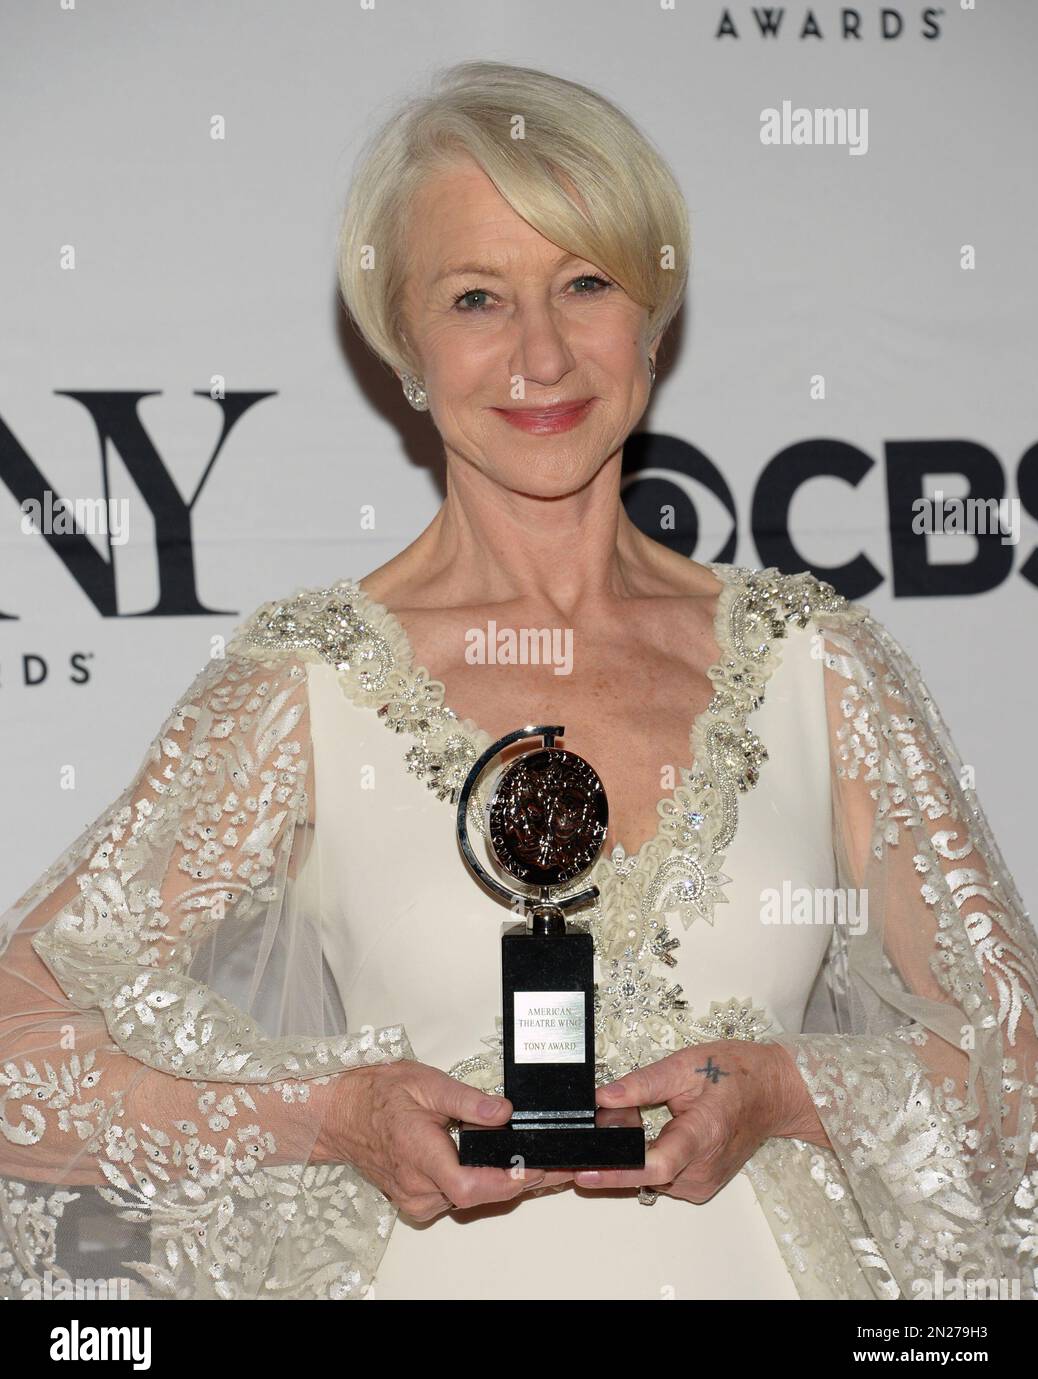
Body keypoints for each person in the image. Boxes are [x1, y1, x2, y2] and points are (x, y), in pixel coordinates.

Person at [2, 60, 1035, 1302]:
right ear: (404, 345)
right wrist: (329, 1116)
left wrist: (789, 1090)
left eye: (586, 284)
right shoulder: (307, 685)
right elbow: (21, 1049)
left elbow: (1014, 1066)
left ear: (652, 316)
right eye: (478, 297)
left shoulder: (819, 662)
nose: (541, 354)